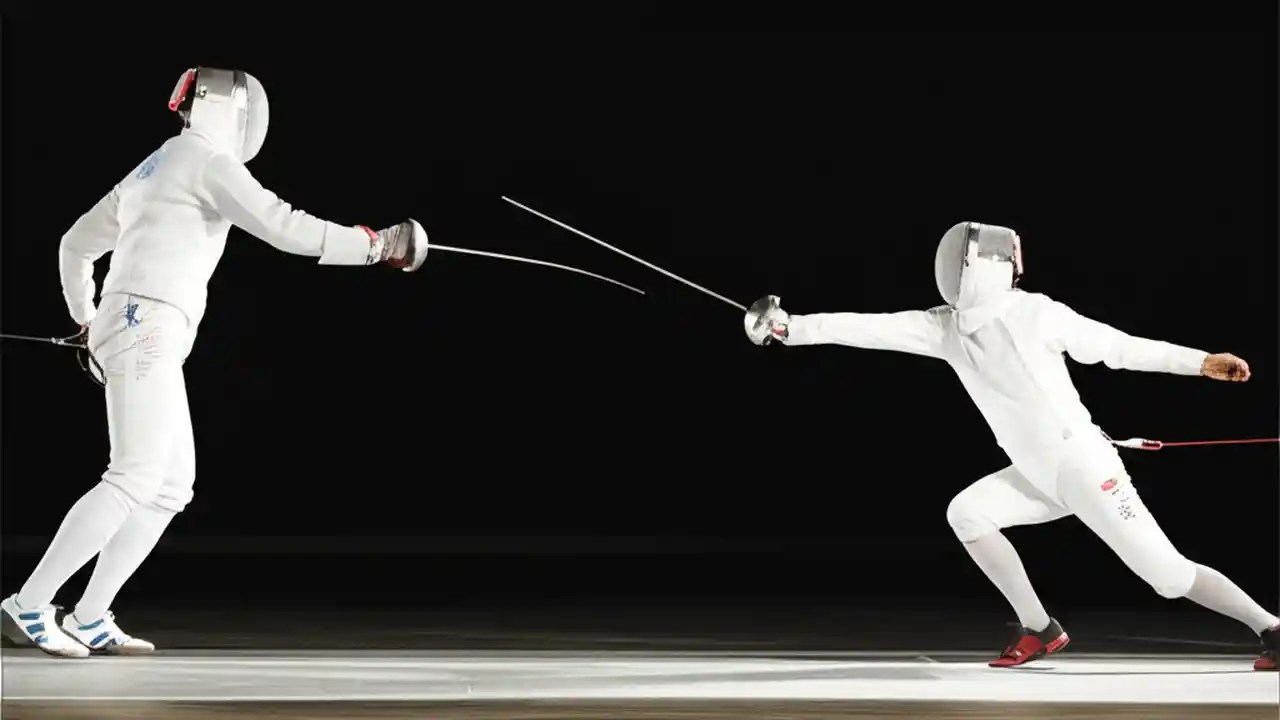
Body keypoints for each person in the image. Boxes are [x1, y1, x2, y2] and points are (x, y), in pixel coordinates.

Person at [0, 67, 427, 657]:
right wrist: (373, 246)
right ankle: (29, 604)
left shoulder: (157, 163)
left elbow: (74, 244)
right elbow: (282, 225)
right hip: (145, 325)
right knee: (135, 476)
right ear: (228, 108)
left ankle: (90, 615)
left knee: (170, 485)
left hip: (139, 326)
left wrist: (86, 319)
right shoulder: (205, 160)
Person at [743, 221, 1279, 670]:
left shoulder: (1035, 313)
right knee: (968, 513)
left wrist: (1198, 361)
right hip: (1037, 473)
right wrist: (791, 328)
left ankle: (1272, 628)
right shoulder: (945, 328)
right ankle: (1039, 627)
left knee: (1169, 577)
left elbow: (1117, 347)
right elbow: (867, 329)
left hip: (1085, 466)